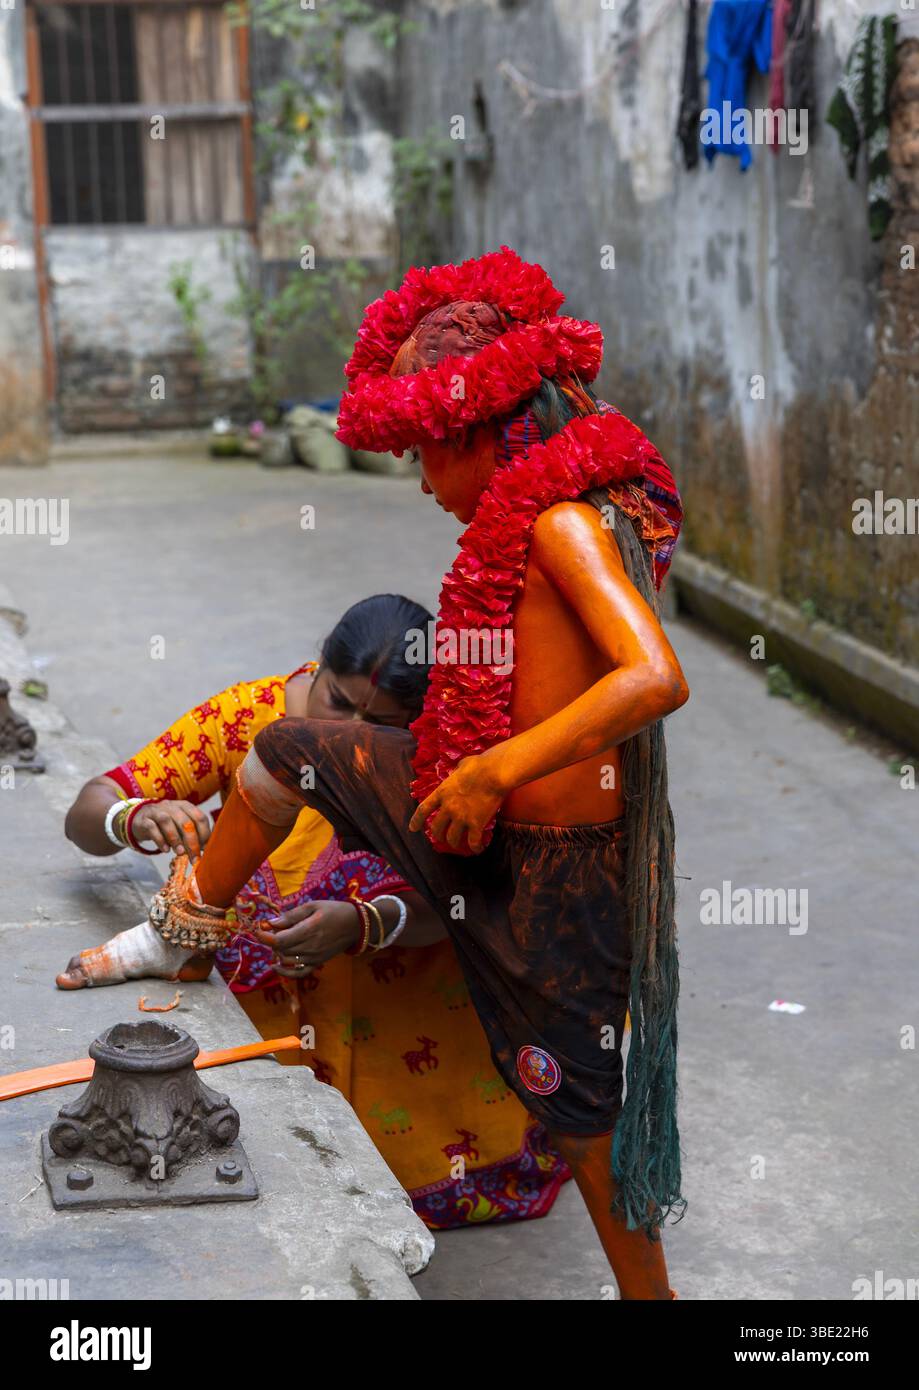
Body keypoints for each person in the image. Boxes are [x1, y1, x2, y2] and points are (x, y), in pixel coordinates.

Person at [66, 248, 689, 1298]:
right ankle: (178, 936)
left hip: (557, 860)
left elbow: (654, 678)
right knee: (282, 749)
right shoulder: (523, 522)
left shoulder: (563, 520)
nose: (418, 479)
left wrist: (493, 773)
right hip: (483, 805)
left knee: (581, 1120)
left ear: (478, 435)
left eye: (427, 454)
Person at [59, 593, 570, 1230]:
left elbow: (481, 899)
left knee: (387, 1200)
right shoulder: (248, 716)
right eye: (339, 703)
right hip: (268, 1020)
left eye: (379, 719)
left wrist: (368, 923)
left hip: (411, 1035)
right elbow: (86, 812)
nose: (351, 731)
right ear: (319, 665)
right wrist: (132, 816)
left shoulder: (442, 749)